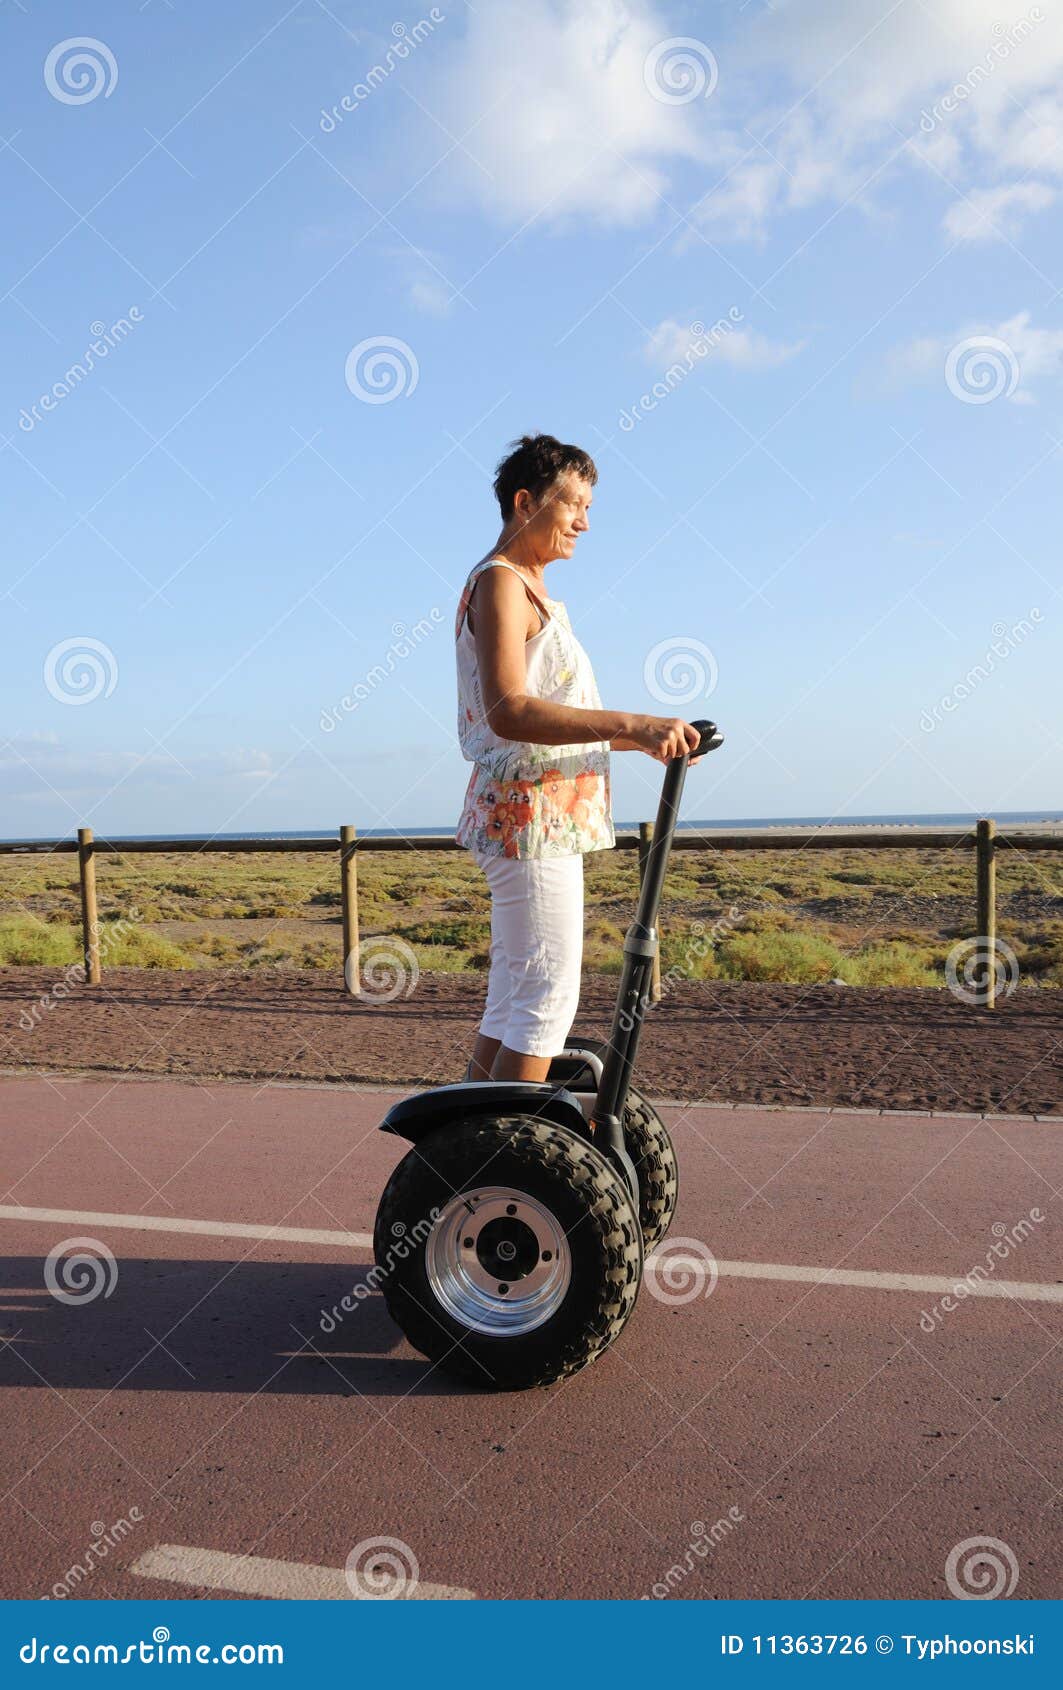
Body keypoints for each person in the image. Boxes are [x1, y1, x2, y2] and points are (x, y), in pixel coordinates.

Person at [455, 433, 702, 1084]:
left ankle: (460, 1147)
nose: (585, 523)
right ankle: (503, 1155)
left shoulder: (527, 589)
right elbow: (510, 710)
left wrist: (647, 737)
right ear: (525, 502)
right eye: (574, 506)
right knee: (544, 1001)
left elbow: (551, 720)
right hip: (528, 820)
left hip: (537, 818)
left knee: (513, 997)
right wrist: (632, 721)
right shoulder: (500, 583)